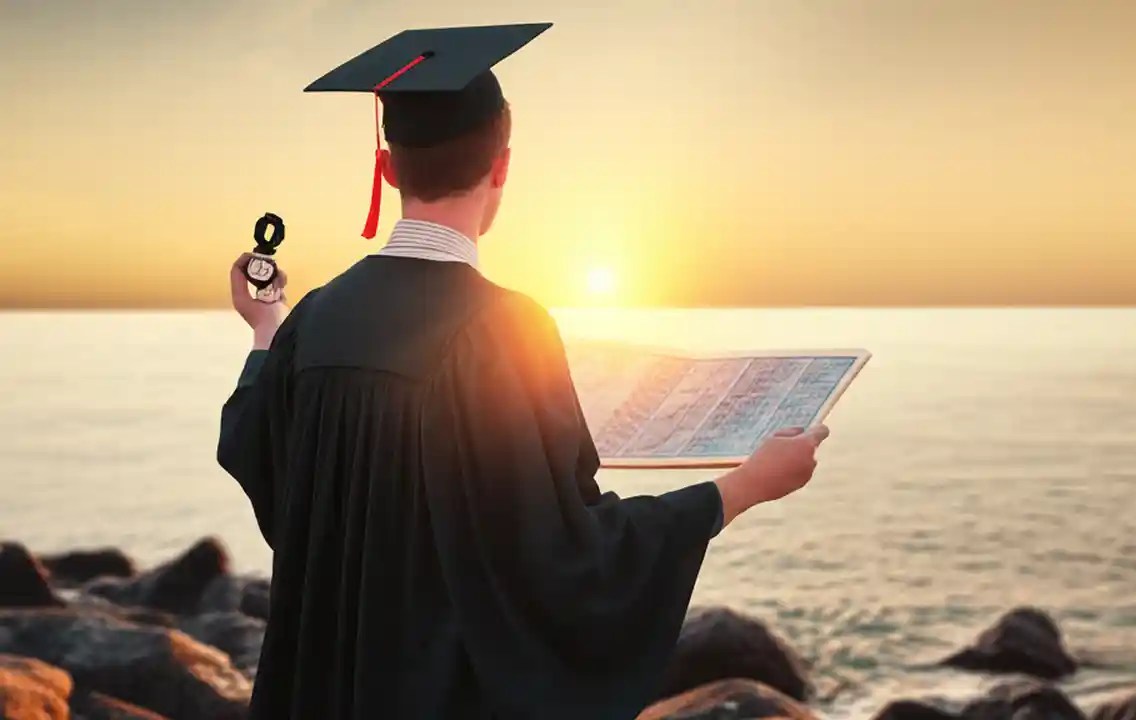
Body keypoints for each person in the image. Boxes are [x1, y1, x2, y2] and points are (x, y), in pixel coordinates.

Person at [218, 23, 830, 720]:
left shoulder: (317, 317)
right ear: (503, 166)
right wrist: (745, 486)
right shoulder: (504, 329)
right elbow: (566, 561)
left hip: (320, 692)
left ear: (387, 171)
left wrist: (266, 324)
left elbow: (257, 448)